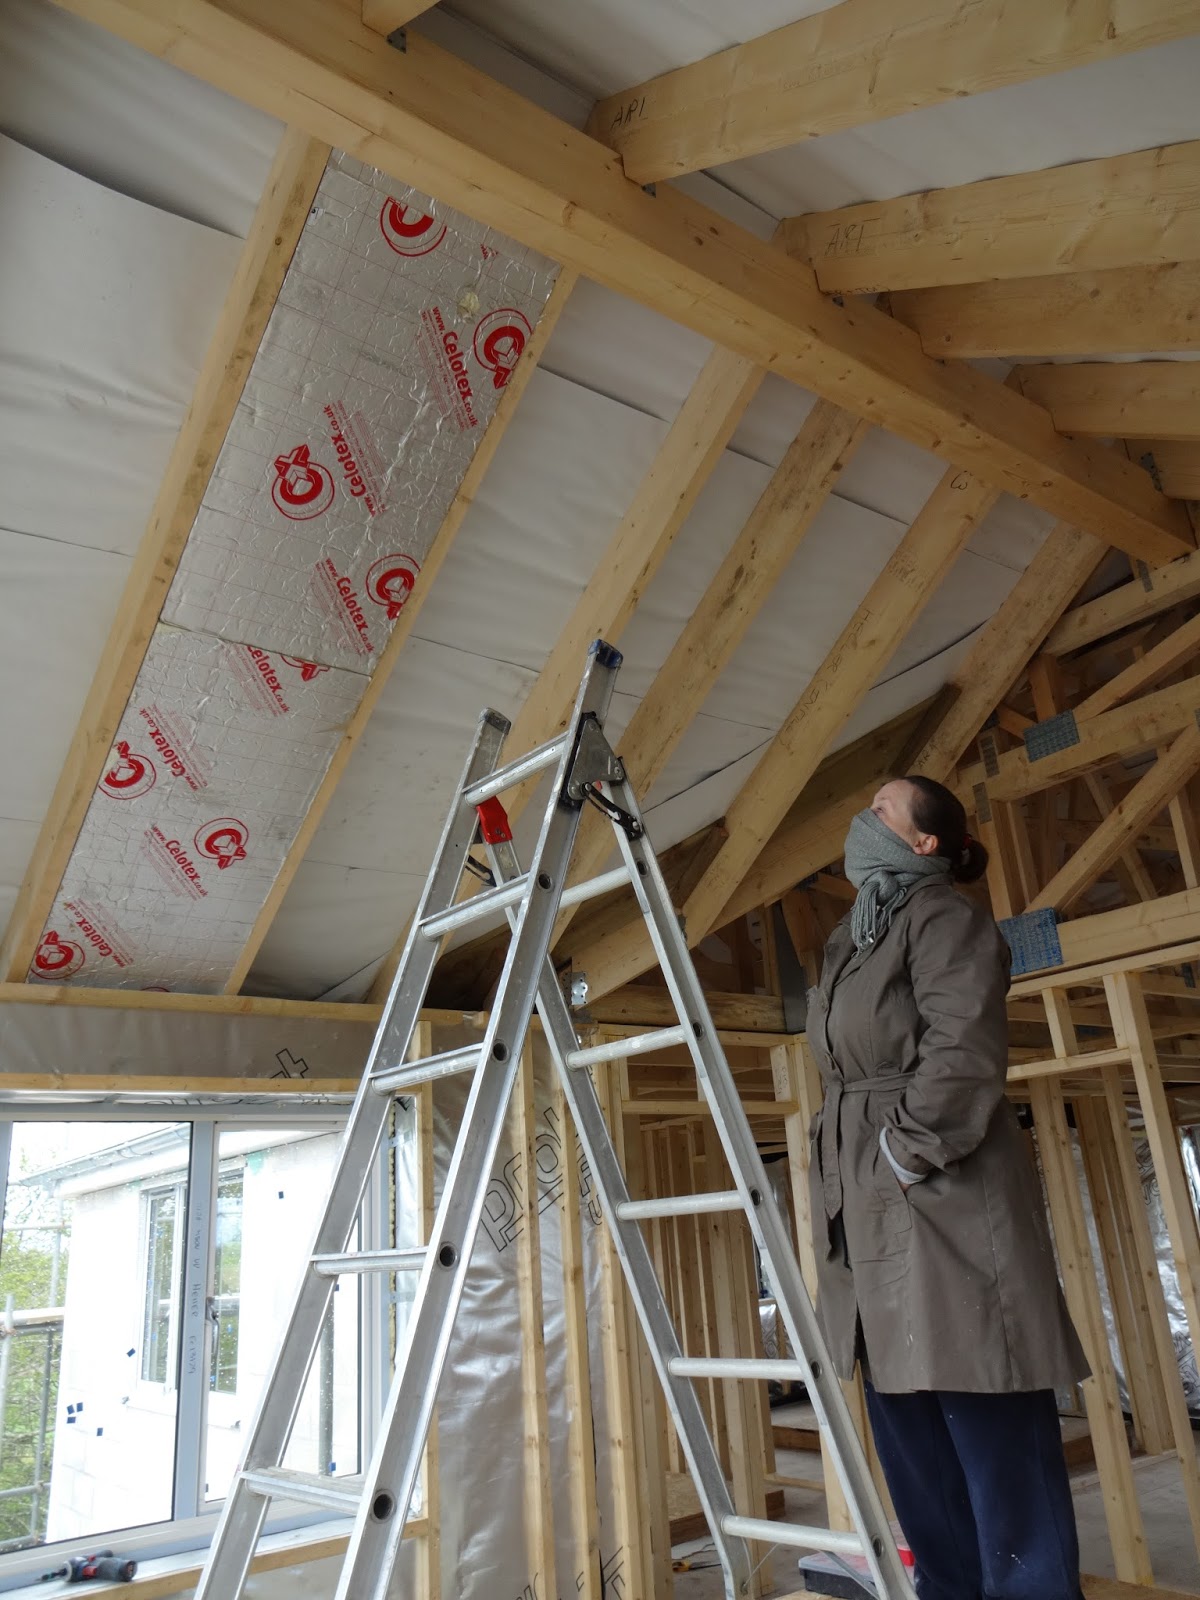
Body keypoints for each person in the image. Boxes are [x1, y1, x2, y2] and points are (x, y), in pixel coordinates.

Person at [805, 774, 1089, 1600]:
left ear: (923, 843)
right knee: (914, 1447)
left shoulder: (944, 916)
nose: (865, 814)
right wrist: (860, 1173)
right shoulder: (853, 937)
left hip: (940, 1200)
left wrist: (904, 1153)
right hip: (866, 1201)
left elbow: (964, 1049)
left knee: (986, 1417)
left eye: (882, 807)